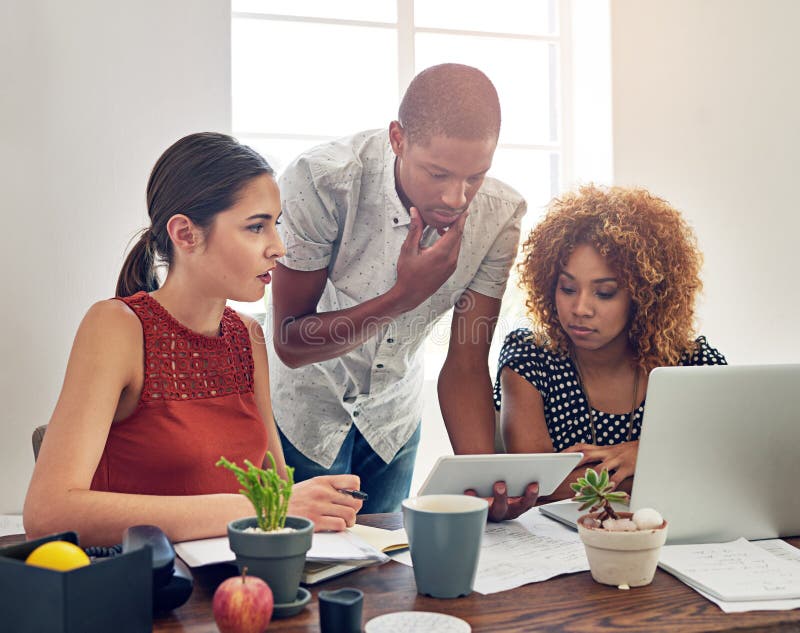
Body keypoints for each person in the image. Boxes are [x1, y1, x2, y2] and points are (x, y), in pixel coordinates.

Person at [23, 132, 362, 546]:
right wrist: (258, 509)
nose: (278, 247)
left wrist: (318, 505)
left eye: (277, 225)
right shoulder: (116, 328)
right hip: (146, 591)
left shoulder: (248, 336)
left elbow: (274, 492)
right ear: (185, 234)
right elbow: (48, 514)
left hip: (237, 579)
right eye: (256, 227)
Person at [269, 63, 537, 519]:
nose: (457, 197)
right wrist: (402, 296)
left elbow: (467, 361)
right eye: (438, 174)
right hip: (305, 415)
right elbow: (291, 343)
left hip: (391, 425)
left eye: (475, 176)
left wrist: (483, 485)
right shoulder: (321, 182)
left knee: (385, 575)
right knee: (310, 576)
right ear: (398, 139)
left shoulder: (499, 215)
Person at [494, 184, 726, 500]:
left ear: (645, 296)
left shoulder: (694, 366)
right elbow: (539, 487)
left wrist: (647, 457)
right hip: (560, 545)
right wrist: (659, 462)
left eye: (604, 293)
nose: (580, 309)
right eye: (567, 289)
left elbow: (728, 472)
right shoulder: (530, 356)